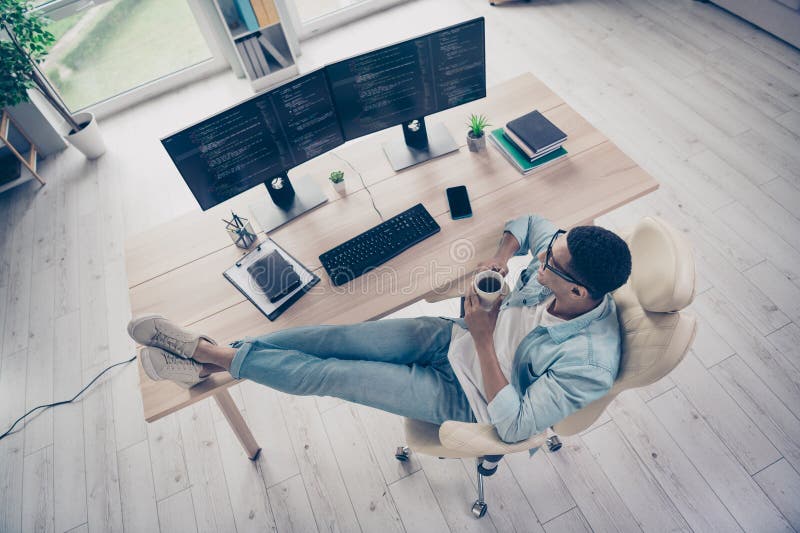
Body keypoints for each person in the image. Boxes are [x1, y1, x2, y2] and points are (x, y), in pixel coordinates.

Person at [128, 214, 632, 443]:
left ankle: (205, 354)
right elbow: (529, 221)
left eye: (548, 261)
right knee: (333, 338)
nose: (542, 255)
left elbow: (516, 425)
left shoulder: (590, 365)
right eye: (550, 248)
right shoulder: (569, 263)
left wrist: (483, 337)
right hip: (450, 337)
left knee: (333, 375)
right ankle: (206, 359)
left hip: (463, 394)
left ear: (578, 294)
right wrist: (502, 259)